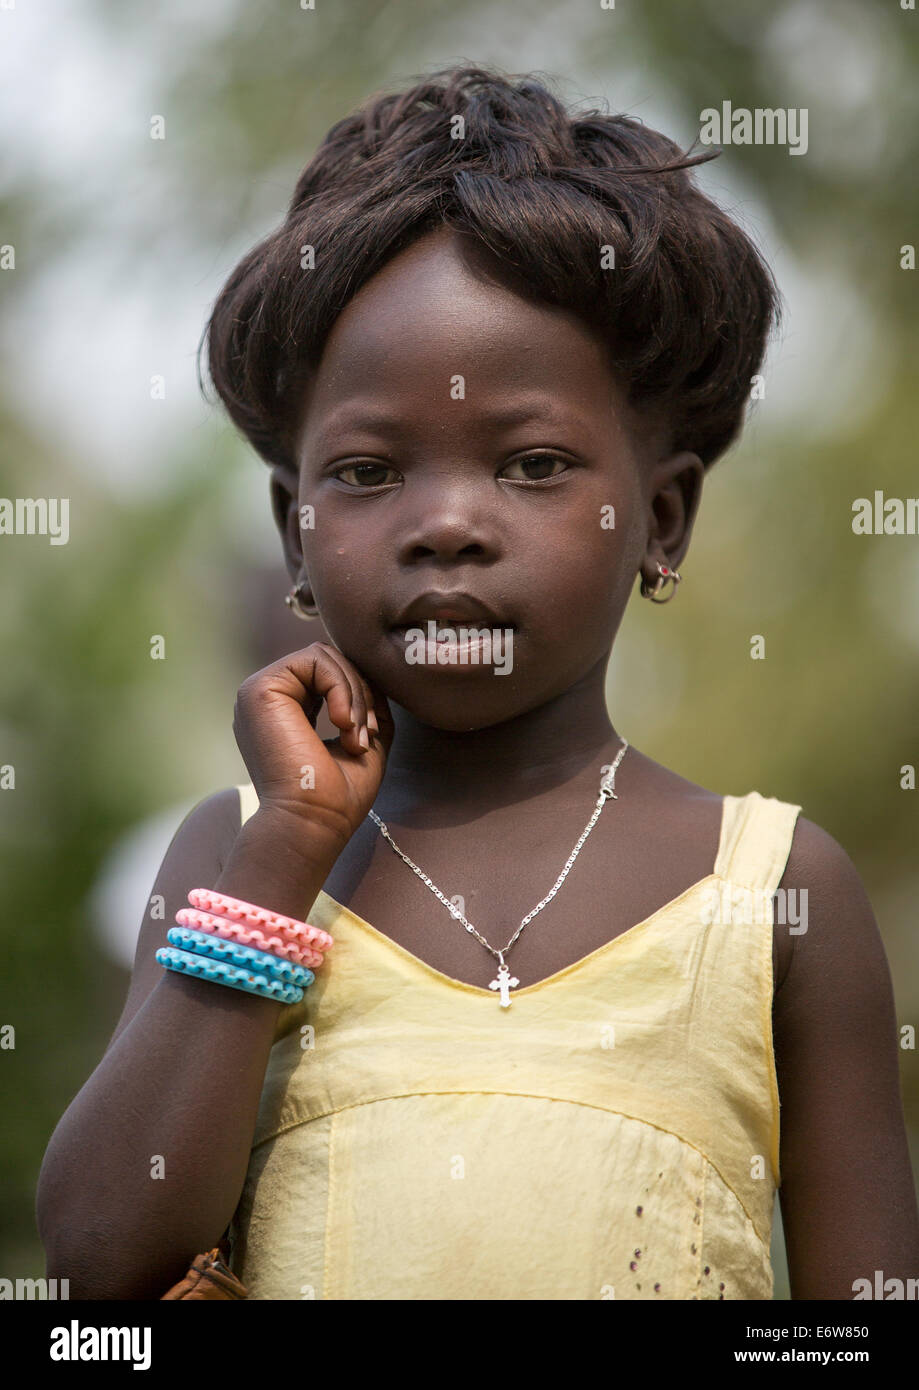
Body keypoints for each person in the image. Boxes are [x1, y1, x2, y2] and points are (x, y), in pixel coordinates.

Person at [36, 63, 919, 1301]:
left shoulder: (777, 894)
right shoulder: (235, 862)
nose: (446, 524)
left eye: (534, 463)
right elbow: (94, 1270)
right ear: (293, 532)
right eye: (367, 472)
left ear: (659, 517)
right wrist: (284, 856)